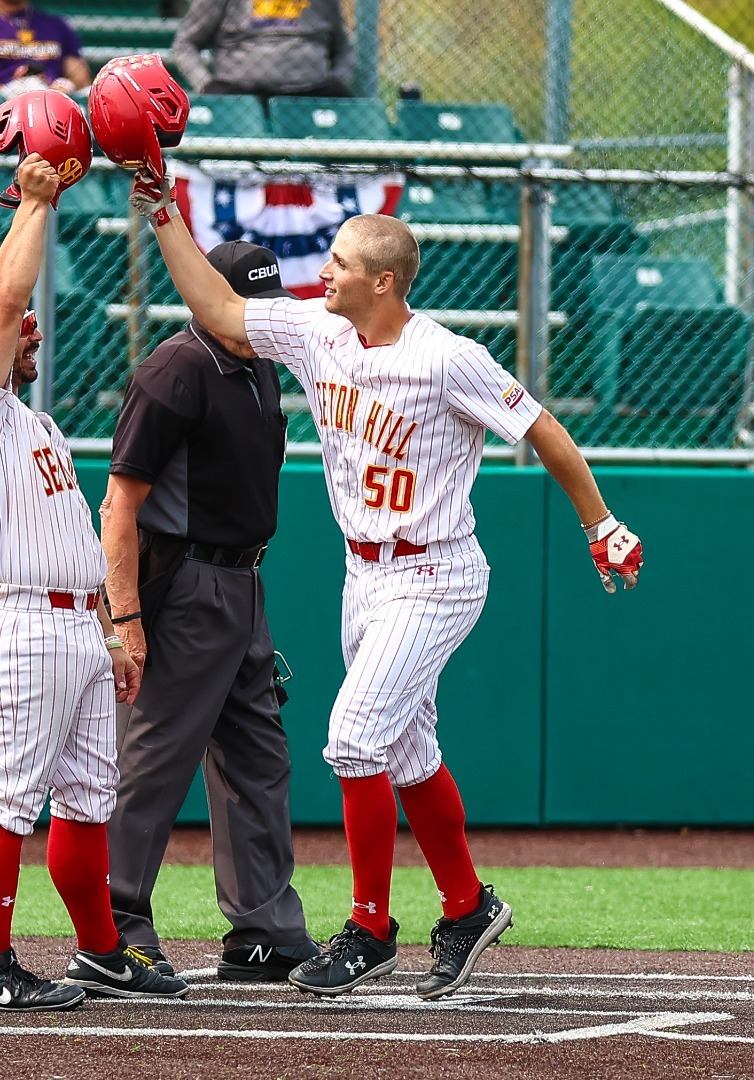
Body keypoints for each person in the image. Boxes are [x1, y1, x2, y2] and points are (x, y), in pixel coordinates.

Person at [128, 178, 644, 1000]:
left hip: (435, 570)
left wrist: (600, 524)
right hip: (364, 571)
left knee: (354, 739)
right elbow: (220, 311)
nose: (321, 273)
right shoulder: (315, 332)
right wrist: (162, 215)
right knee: (408, 752)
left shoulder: (446, 355)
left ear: (385, 282)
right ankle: (469, 907)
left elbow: (542, 427)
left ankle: (370, 927)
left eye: (338, 263)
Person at [0, 153, 187, 1013]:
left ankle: (102, 952)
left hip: (74, 624)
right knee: (7, 800)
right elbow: (4, 301)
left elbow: (78, 537)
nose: (33, 331)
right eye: (16, 331)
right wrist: (34, 203)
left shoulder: (29, 419)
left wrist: (114, 624)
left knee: (86, 798)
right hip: (20, 623)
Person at [99, 241, 319, 983]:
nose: (259, 312)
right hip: (185, 584)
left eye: (266, 298)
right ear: (205, 294)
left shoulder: (258, 362)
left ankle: (264, 931)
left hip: (243, 584)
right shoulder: (174, 369)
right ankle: (114, 928)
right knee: (151, 763)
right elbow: (119, 504)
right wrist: (125, 620)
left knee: (259, 759)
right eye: (245, 297)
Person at [170, 0, 354, 99]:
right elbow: (185, 45)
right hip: (237, 94)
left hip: (313, 93)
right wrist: (206, 85)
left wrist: (338, 79)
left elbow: (344, 47)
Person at [0, 0, 93, 97]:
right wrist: (9, 90)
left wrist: (62, 87)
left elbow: (81, 80)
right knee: (30, 86)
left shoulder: (56, 26)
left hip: (54, 104)